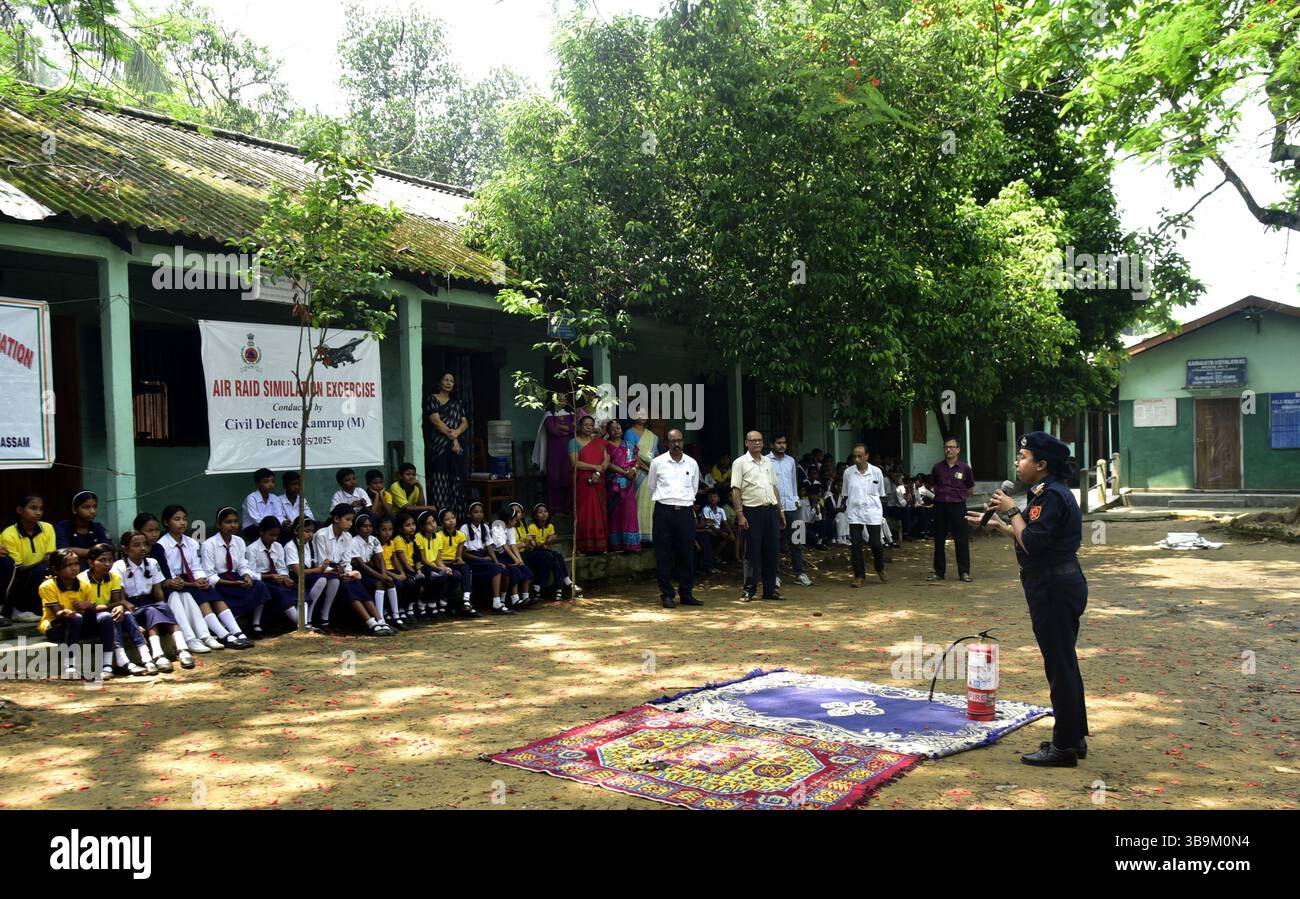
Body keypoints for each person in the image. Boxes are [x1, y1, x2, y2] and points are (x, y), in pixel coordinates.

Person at [967, 431, 1089, 767]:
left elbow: (1033, 543)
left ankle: (1063, 747)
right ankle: (1073, 736)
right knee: (1064, 662)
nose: (1017, 463)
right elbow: (1032, 537)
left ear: (1042, 463)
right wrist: (1001, 527)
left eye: (1023, 457)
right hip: (1058, 583)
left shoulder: (1050, 496)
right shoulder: (1046, 492)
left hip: (1053, 587)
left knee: (1059, 665)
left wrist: (1011, 511)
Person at [138, 511, 219, 654]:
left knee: (185, 594)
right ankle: (189, 638)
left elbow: (165, 574)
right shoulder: (134, 551)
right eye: (149, 531)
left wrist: (171, 582)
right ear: (139, 531)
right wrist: (166, 583)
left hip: (162, 588)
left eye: (156, 530)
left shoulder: (157, 548)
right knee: (174, 595)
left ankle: (204, 635)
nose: (154, 534)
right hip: (146, 596)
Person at [114, 529, 194, 670]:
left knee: (161, 607)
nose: (143, 548)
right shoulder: (118, 567)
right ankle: (158, 654)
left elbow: (158, 593)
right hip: (132, 607)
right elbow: (121, 599)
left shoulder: (152, 562)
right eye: (136, 545)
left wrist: (162, 606)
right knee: (152, 611)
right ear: (125, 549)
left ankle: (181, 649)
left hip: (150, 602)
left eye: (145, 544)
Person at [38, 549, 115, 680]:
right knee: (75, 618)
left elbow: (92, 611)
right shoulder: (48, 586)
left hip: (79, 623)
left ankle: (107, 665)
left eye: (76, 564)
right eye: (68, 565)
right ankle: (70, 666)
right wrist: (66, 612)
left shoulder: (84, 585)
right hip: (55, 626)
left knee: (106, 617)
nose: (74, 568)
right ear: (56, 569)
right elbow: (57, 613)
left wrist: (89, 605)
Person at [647, 428, 702, 608]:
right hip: (664, 512)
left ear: (683, 442)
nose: (676, 444)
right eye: (672, 441)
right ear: (666, 443)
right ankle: (667, 594)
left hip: (685, 512)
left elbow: (694, 489)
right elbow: (651, 486)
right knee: (663, 554)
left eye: (679, 441)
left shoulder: (692, 463)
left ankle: (686, 593)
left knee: (686, 553)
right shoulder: (657, 463)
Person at [80, 543, 153, 676]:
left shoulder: (113, 577)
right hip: (90, 620)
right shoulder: (82, 580)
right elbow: (91, 608)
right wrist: (120, 603)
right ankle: (122, 659)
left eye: (110, 560)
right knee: (110, 616)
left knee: (125, 614)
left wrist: (120, 606)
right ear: (91, 562)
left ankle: (146, 657)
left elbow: (115, 601)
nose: (107, 564)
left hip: (107, 614)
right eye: (102, 560)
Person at [199, 507, 265, 646]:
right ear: (218, 524)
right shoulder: (209, 544)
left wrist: (246, 575)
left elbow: (242, 565)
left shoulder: (239, 541)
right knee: (217, 592)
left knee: (260, 586)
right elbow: (209, 575)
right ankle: (228, 626)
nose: (233, 525)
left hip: (235, 577)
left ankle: (252, 623)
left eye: (235, 521)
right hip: (220, 581)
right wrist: (233, 584)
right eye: (228, 522)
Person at [732, 430, 784, 603]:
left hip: (770, 510)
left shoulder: (768, 461)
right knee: (752, 553)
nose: (757, 443)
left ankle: (770, 590)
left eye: (759, 440)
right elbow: (736, 490)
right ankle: (749, 590)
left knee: (772, 551)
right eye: (753, 441)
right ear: (746, 443)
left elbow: (774, 487)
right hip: (751, 512)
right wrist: (740, 515)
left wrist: (780, 511)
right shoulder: (740, 463)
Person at [1, 492, 57, 624]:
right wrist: (41, 563)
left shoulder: (47, 528)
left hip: (41, 573)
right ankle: (15, 609)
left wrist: (45, 562)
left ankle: (39, 609)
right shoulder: (9, 534)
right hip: (17, 579)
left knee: (49, 570)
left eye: (41, 509)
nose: (38, 512)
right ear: (20, 510)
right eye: (33, 508)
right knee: (38, 569)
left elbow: (50, 557)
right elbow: (17, 569)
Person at [310, 504, 366, 632]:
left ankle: (326, 617)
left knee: (348, 581)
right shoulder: (321, 535)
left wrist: (347, 573)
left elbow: (346, 561)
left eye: (352, 520)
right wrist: (338, 571)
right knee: (332, 579)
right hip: (321, 571)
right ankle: (312, 618)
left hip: (337, 571)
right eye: (347, 519)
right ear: (336, 519)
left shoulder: (347, 537)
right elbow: (321, 563)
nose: (350, 523)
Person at [767, 434, 811, 587]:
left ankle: (800, 573)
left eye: (784, 442)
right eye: (778, 443)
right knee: (774, 542)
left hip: (792, 506)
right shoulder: (766, 461)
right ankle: (775, 575)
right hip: (773, 506)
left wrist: (795, 498)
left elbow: (793, 481)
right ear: (772, 444)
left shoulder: (791, 460)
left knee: (797, 540)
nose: (782, 445)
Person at [929, 437, 975, 582]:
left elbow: (970, 489)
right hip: (940, 506)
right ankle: (939, 572)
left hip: (958, 506)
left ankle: (964, 572)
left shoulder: (964, 468)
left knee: (961, 540)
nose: (948, 449)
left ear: (958, 449)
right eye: (946, 447)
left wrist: (959, 497)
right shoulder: (937, 468)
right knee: (939, 539)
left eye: (951, 447)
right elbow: (933, 485)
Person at [245, 516, 301, 634]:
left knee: (296, 588)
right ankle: (300, 623)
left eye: (276, 535)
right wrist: (268, 577)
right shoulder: (252, 549)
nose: (274, 538)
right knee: (278, 592)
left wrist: (285, 577)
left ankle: (303, 620)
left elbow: (281, 567)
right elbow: (250, 572)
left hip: (275, 578)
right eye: (271, 535)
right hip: (261, 579)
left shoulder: (278, 546)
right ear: (261, 532)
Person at [844, 444, 889, 587]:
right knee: (856, 544)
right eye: (854, 456)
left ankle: (880, 567)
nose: (857, 459)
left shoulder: (876, 472)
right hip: (854, 511)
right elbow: (846, 493)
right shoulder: (848, 473)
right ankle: (859, 576)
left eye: (860, 456)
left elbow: (880, 493)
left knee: (875, 543)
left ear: (867, 456)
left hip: (872, 511)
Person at [425, 371, 470, 517]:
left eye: (452, 380)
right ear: (439, 382)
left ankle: (457, 518)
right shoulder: (432, 399)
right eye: (446, 380)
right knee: (440, 481)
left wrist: (456, 433)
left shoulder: (457, 402)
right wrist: (453, 437)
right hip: (439, 447)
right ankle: (440, 518)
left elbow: (464, 422)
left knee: (457, 480)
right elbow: (436, 421)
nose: (449, 383)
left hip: (455, 448)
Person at [349, 512, 400, 633]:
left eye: (370, 526)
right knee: (380, 584)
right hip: (360, 570)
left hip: (373, 569)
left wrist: (384, 574)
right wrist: (381, 577)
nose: (368, 529)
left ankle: (396, 616)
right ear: (357, 528)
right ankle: (380, 618)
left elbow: (380, 558)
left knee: (390, 583)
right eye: (365, 526)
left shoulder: (374, 539)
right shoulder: (353, 541)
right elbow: (361, 564)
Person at [460, 501, 511, 614]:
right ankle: (496, 603)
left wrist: (496, 561)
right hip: (471, 558)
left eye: (481, 512)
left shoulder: (485, 527)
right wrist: (482, 559)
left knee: (502, 569)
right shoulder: (465, 528)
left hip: (483, 557)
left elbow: (489, 547)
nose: (479, 514)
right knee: (496, 570)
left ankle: (501, 601)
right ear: (469, 514)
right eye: (476, 512)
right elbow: (463, 553)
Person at [522, 502, 580, 600]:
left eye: (545, 511)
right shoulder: (532, 527)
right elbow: (534, 545)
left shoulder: (550, 526)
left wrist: (547, 542)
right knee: (553, 556)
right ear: (535, 516)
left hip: (545, 552)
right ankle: (565, 584)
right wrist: (546, 542)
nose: (544, 513)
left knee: (557, 556)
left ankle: (559, 589)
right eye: (540, 512)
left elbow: (548, 542)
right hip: (534, 552)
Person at [569, 415, 610, 554]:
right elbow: (575, 463)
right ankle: (583, 547)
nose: (588, 427)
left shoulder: (599, 442)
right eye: (585, 424)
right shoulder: (573, 442)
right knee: (584, 512)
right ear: (580, 426)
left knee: (599, 510)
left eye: (590, 425)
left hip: (598, 481)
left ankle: (601, 546)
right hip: (582, 482)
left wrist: (598, 472)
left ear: (594, 427)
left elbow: (606, 461)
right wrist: (595, 467)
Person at [285, 516, 334, 630]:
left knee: (328, 579)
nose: (310, 534)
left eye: (312, 531)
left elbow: (316, 565)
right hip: (296, 578)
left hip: (309, 575)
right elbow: (297, 571)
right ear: (296, 531)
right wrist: (318, 570)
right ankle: (306, 620)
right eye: (306, 531)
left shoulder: (310, 545)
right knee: (320, 579)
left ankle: (311, 617)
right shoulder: (291, 546)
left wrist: (326, 567)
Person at [604, 419, 642, 553]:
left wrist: (633, 470)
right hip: (614, 482)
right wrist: (624, 472)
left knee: (629, 511)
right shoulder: (606, 445)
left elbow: (636, 461)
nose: (616, 430)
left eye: (618, 428)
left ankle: (630, 544)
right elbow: (607, 463)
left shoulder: (629, 444)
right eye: (613, 428)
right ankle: (616, 543)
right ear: (608, 432)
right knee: (615, 512)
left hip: (629, 483)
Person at [626, 412, 658, 545]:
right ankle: (639, 535)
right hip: (638, 472)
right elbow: (631, 454)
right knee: (639, 503)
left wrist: (654, 469)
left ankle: (651, 535)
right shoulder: (629, 433)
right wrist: (647, 469)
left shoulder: (652, 436)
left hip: (652, 472)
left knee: (653, 504)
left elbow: (656, 455)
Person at [54, 490, 112, 560]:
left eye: (95, 507)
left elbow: (108, 549)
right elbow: (64, 551)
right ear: (74, 509)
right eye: (86, 507)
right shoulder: (62, 527)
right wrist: (95, 552)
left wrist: (76, 550)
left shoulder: (98, 527)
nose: (92, 511)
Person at [242, 468, 284, 538]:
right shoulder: (251, 498)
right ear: (257, 484)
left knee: (285, 533)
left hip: (272, 527)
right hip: (253, 528)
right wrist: (271, 526)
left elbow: (279, 516)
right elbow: (256, 519)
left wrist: (283, 522)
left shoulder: (275, 498)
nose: (271, 484)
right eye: (266, 482)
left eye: (273, 481)